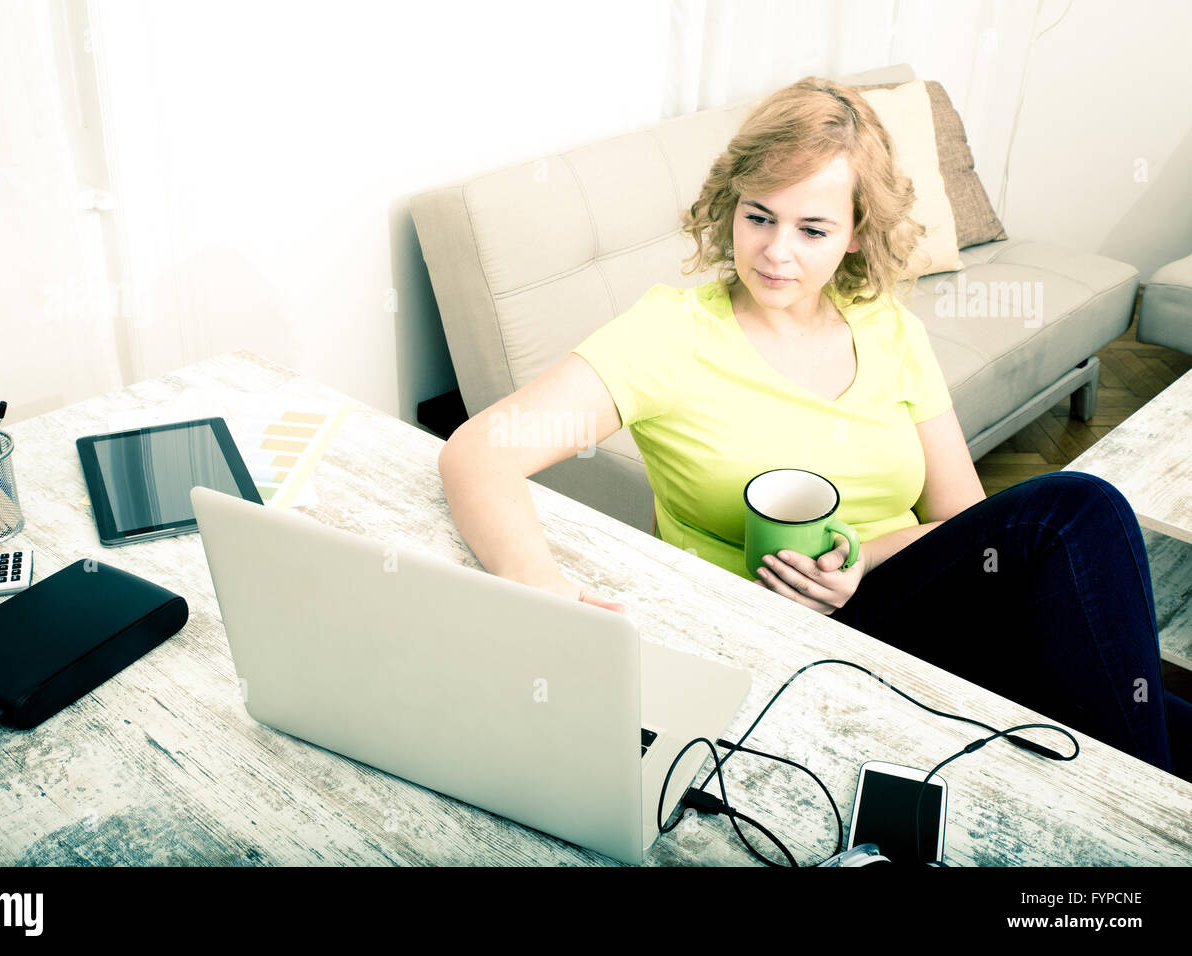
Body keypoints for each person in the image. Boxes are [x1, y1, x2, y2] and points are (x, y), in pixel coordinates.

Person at [437, 77, 1190, 781]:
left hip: (901, 602)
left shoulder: (888, 330)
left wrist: (859, 561)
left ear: (857, 234)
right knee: (1076, 512)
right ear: (731, 205)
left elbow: (961, 523)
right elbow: (480, 454)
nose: (776, 251)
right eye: (759, 216)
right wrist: (538, 585)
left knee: (1162, 714)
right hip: (775, 636)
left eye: (812, 228)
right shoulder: (668, 337)